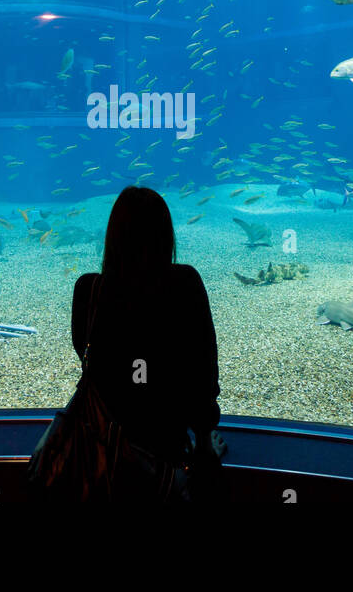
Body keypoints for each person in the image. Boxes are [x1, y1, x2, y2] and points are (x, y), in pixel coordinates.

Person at [37, 185, 224, 502]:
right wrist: (205, 443)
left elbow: (90, 363)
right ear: (165, 236)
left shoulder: (88, 290)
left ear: (112, 236)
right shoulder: (185, 284)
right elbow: (203, 371)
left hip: (99, 456)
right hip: (166, 451)